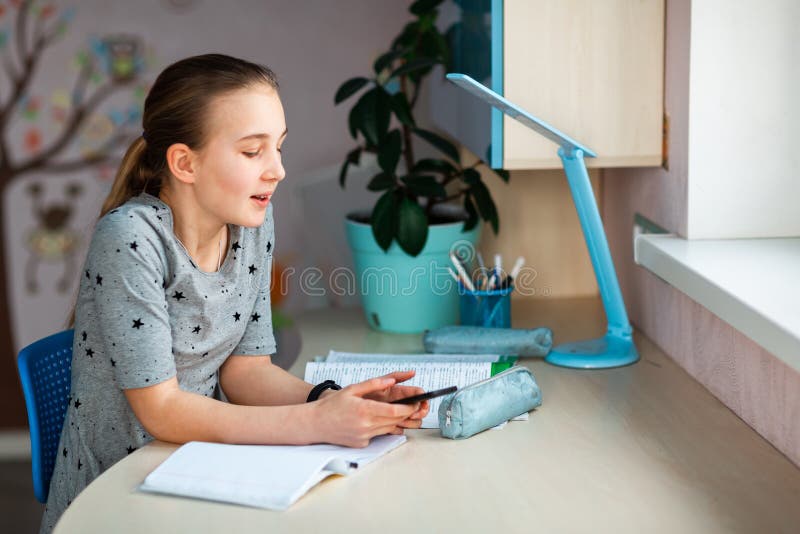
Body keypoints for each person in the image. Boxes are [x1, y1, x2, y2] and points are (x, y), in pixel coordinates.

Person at [40, 54, 428, 533]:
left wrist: (334, 401)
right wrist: (318, 424)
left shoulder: (252, 224)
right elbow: (162, 410)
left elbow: (246, 371)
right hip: (122, 496)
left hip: (203, 473)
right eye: (253, 152)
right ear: (185, 162)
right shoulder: (131, 239)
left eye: (279, 148)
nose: (277, 170)